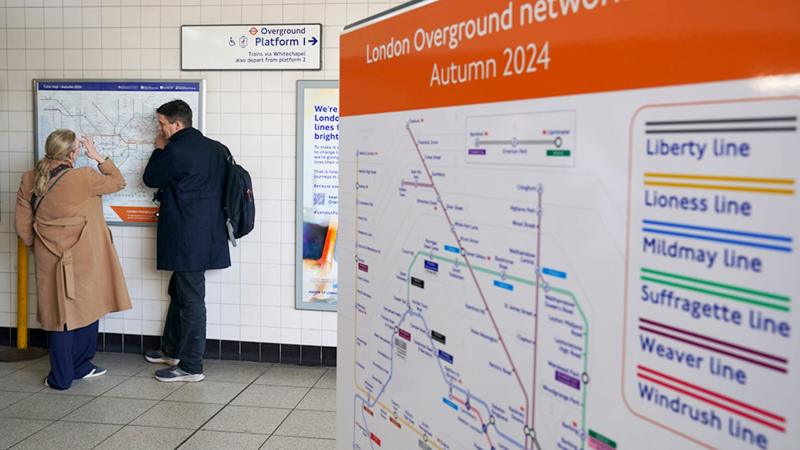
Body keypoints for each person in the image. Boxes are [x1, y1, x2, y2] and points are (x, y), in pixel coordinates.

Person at [15, 129, 131, 390]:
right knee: (87, 308)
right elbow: (118, 181)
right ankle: (79, 367)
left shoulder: (29, 178)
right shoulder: (85, 177)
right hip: (84, 255)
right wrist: (99, 157)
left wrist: (39, 248)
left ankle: (60, 376)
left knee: (59, 315)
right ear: (72, 153)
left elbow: (23, 225)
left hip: (48, 256)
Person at [143, 99, 230, 382]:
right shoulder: (217, 149)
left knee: (192, 300)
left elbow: (150, 178)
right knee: (180, 293)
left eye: (162, 124)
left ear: (176, 124)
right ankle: (171, 349)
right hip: (208, 236)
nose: (160, 129)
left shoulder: (174, 150)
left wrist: (158, 150)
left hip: (185, 238)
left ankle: (191, 366)